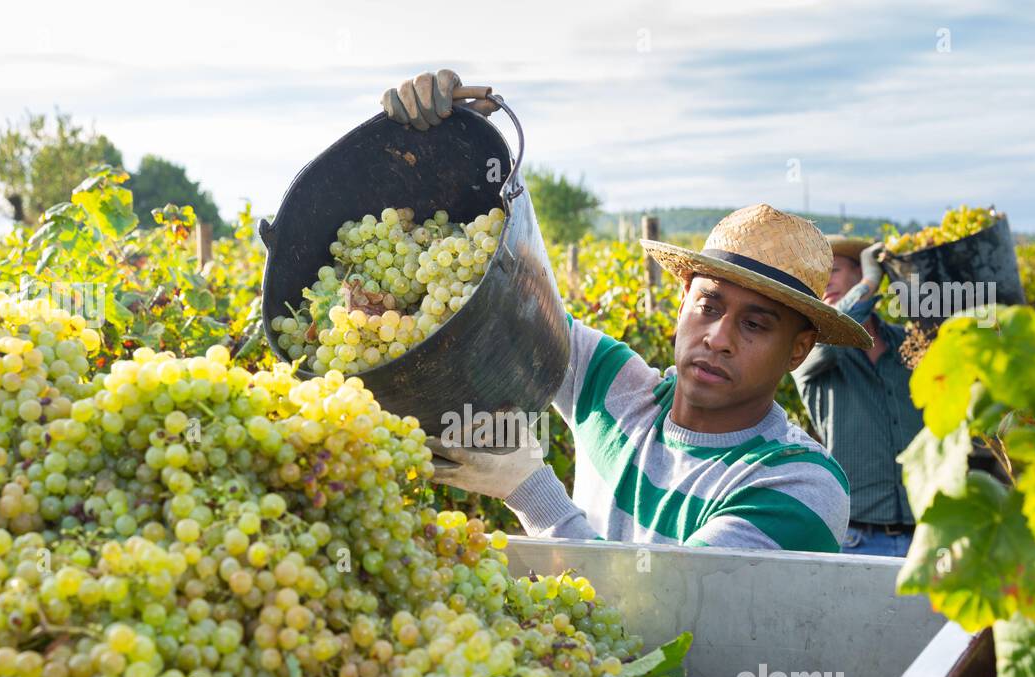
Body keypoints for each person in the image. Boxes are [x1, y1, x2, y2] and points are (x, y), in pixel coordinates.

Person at [383, 71, 873, 553]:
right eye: (709, 305)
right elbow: (516, 303)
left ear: (798, 350)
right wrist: (463, 144)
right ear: (682, 302)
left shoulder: (800, 485)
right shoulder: (614, 388)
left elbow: (670, 621)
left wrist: (528, 488)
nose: (719, 337)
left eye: (755, 325)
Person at [789, 236, 923, 557]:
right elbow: (837, 327)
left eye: (833, 270)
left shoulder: (909, 343)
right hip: (855, 540)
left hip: (926, 537)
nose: (825, 283)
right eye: (816, 278)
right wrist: (869, 282)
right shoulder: (808, 350)